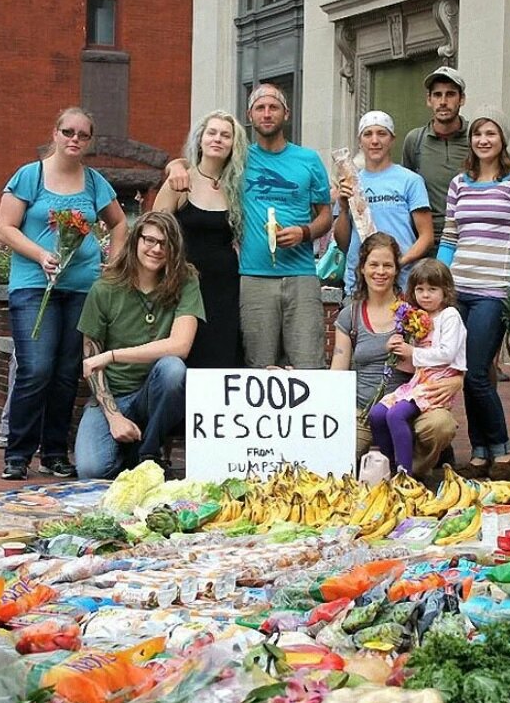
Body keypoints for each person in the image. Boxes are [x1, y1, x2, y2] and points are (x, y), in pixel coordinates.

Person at [0, 107, 128, 480]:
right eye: (68, 131)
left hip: (82, 288)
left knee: (68, 372)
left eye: (82, 135)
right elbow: (5, 227)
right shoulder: (30, 175)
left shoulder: (94, 182)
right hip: (34, 286)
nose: (74, 139)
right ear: (54, 133)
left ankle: (54, 452)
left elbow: (119, 224)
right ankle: (18, 452)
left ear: (89, 141)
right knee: (36, 368)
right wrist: (40, 255)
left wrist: (113, 265)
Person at [168, 84, 332, 369]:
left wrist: (304, 232)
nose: (267, 114)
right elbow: (203, 158)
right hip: (253, 277)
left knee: (309, 364)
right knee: (257, 366)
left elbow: (326, 217)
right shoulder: (239, 160)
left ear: (287, 114)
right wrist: (176, 165)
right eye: (260, 108)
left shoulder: (309, 160)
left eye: (274, 107)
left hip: (301, 274)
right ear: (250, 116)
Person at [438, 107, 510, 480]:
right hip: (458, 290)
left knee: (479, 371)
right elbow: (450, 237)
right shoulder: (459, 183)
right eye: (478, 133)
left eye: (491, 133)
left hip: (494, 291)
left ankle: (503, 448)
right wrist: (437, 282)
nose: (483, 140)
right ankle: (479, 452)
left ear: (502, 140)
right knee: (463, 372)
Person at [73, 211, 204, 480]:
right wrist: (114, 417)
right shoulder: (105, 288)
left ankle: (149, 454)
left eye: (165, 244)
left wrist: (112, 355)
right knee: (91, 469)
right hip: (113, 395)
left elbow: (180, 346)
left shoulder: (186, 282)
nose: (156, 249)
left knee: (173, 368)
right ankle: (132, 453)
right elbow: (91, 363)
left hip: (153, 392)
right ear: (135, 241)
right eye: (150, 240)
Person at [330, 233, 461, 478]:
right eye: (374, 265)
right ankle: (386, 466)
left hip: (413, 407)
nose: (380, 272)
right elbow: (337, 370)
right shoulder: (350, 314)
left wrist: (458, 379)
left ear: (396, 269)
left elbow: (447, 352)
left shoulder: (416, 312)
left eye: (388, 265)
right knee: (339, 457)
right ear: (362, 268)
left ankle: (412, 473)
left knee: (440, 426)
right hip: (363, 410)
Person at [154, 110, 247, 368]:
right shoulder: (180, 181)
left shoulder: (237, 187)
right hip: (184, 284)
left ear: (234, 145)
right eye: (212, 133)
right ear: (200, 139)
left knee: (224, 353)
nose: (218, 139)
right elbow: (152, 232)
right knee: (187, 353)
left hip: (226, 286)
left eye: (226, 135)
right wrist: (176, 164)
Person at [368, 259, 466, 474]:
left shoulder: (449, 316)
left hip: (437, 380)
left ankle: (405, 474)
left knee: (395, 415)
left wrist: (412, 352)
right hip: (418, 380)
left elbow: (447, 354)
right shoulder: (415, 316)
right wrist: (396, 347)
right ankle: (392, 465)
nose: (426, 295)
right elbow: (410, 360)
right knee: (377, 414)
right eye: (420, 289)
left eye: (432, 289)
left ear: (445, 291)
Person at [334, 110, 433, 297]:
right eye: (368, 134)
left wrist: (399, 262)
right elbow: (342, 243)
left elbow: (426, 237)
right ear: (360, 141)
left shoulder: (410, 180)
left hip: (401, 285)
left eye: (382, 134)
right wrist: (343, 209)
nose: (374, 141)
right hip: (359, 285)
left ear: (392, 139)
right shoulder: (351, 182)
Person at [401, 66, 469, 258]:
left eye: (450, 94)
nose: (443, 101)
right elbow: (406, 193)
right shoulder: (415, 140)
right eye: (437, 95)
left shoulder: (476, 138)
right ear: (429, 100)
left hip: (466, 241)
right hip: (425, 243)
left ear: (461, 99)